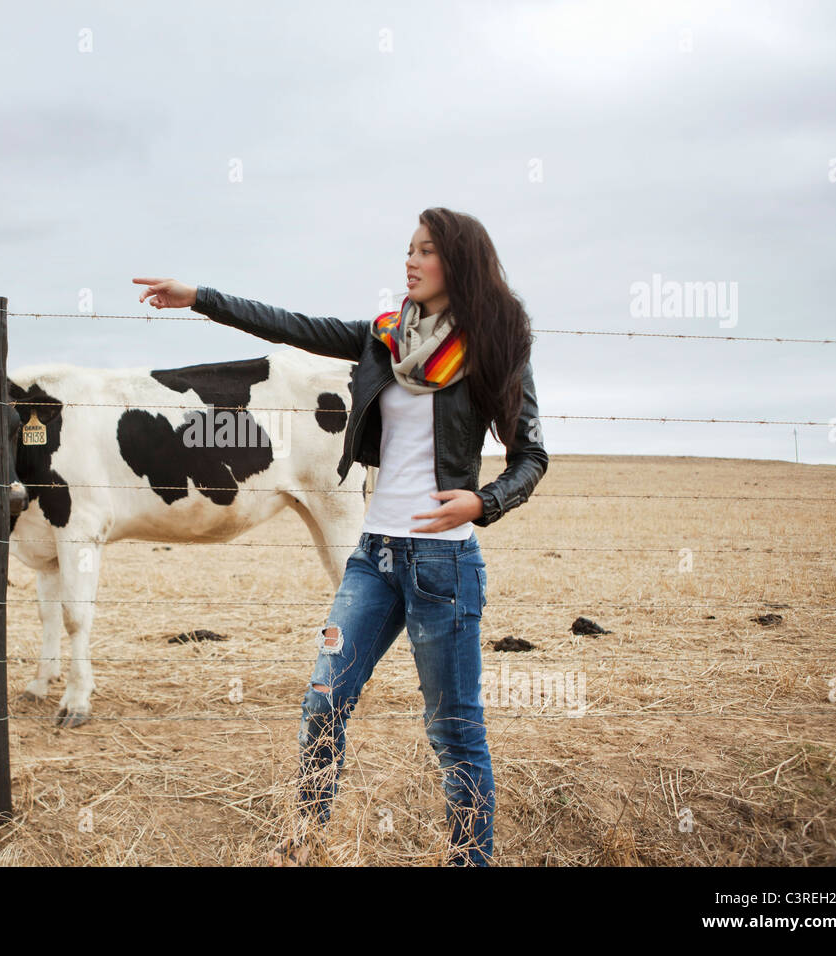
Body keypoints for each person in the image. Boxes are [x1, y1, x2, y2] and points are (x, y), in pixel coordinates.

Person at [133, 207, 547, 866]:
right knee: (323, 702)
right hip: (373, 560)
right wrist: (199, 299)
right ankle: (304, 840)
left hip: (443, 565)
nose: (409, 262)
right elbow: (290, 326)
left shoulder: (492, 347)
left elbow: (532, 457)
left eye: (425, 252)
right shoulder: (383, 337)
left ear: (458, 264)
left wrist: (483, 501)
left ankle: (471, 859)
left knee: (455, 729)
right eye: (407, 250)